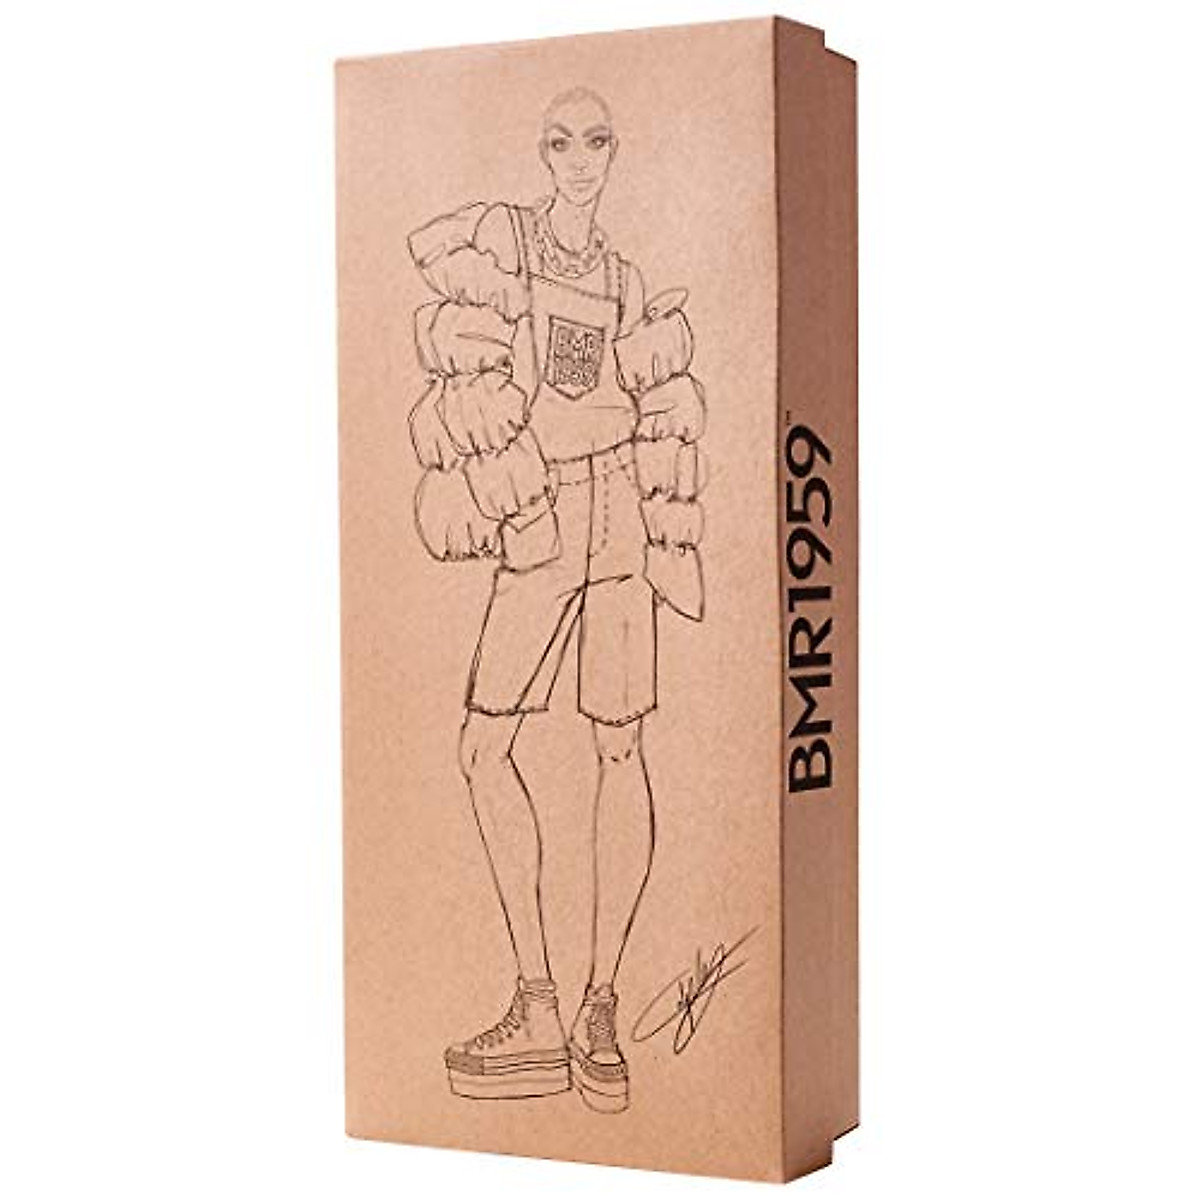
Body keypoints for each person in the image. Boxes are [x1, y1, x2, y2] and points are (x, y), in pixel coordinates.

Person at [407, 87, 707, 1113]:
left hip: (617, 510)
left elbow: (649, 408)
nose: (580, 159)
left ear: (615, 155)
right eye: (561, 142)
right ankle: (539, 1000)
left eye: (597, 142)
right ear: (542, 153)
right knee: (484, 743)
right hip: (541, 515)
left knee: (620, 748)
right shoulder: (505, 242)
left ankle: (598, 1006)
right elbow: (462, 361)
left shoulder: (627, 279)